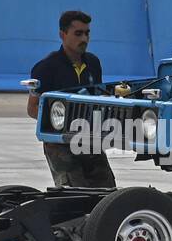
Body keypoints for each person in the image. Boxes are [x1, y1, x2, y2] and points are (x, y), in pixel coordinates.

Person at [27, 10, 116, 188]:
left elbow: (98, 97)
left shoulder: (93, 63)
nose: (84, 39)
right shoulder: (45, 68)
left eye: (87, 33)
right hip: (60, 142)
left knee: (108, 192)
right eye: (78, 33)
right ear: (62, 34)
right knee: (75, 193)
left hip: (89, 138)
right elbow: (32, 108)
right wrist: (61, 122)